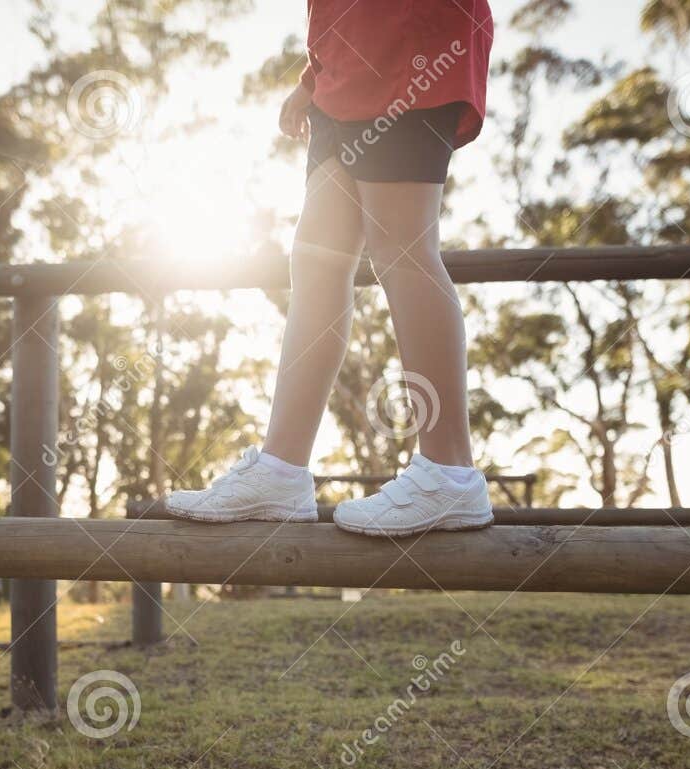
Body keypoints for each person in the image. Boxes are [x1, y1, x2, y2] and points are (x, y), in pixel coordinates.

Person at [166, 0, 496, 537]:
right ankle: (281, 467)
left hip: (410, 37)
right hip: (345, 58)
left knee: (403, 246)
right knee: (318, 257)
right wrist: (312, 76)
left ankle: (450, 472)